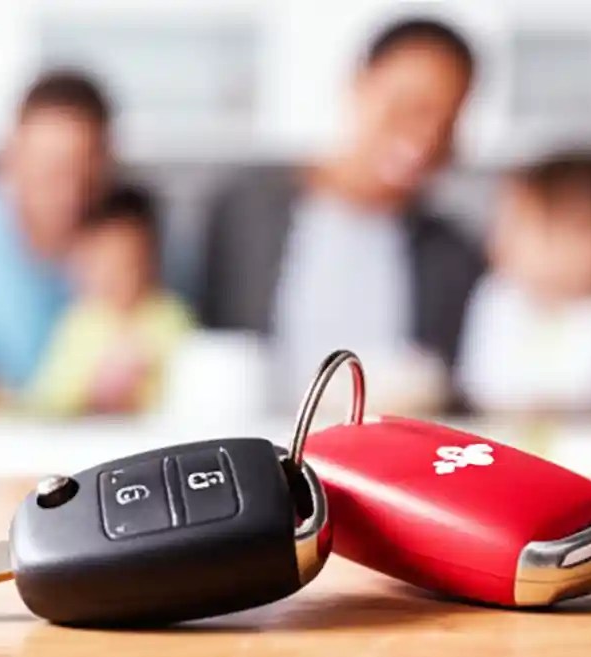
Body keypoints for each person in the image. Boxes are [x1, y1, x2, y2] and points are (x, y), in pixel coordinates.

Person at [199, 18, 483, 409]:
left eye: (448, 120)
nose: (427, 137)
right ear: (358, 85)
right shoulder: (244, 213)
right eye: (411, 108)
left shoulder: (453, 254)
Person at [0, 71, 113, 408]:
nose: (70, 194)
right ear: (11, 161)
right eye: (52, 172)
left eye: (84, 173)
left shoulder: (138, 237)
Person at [457, 152, 591, 414]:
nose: (556, 254)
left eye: (573, 234)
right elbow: (482, 382)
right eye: (533, 232)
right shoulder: (499, 298)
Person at [27, 186, 194, 416]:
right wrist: (92, 393)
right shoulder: (79, 323)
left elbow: (186, 390)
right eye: (103, 266)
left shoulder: (169, 317)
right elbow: (49, 398)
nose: (114, 278)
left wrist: (140, 383)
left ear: (151, 262)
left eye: (126, 264)